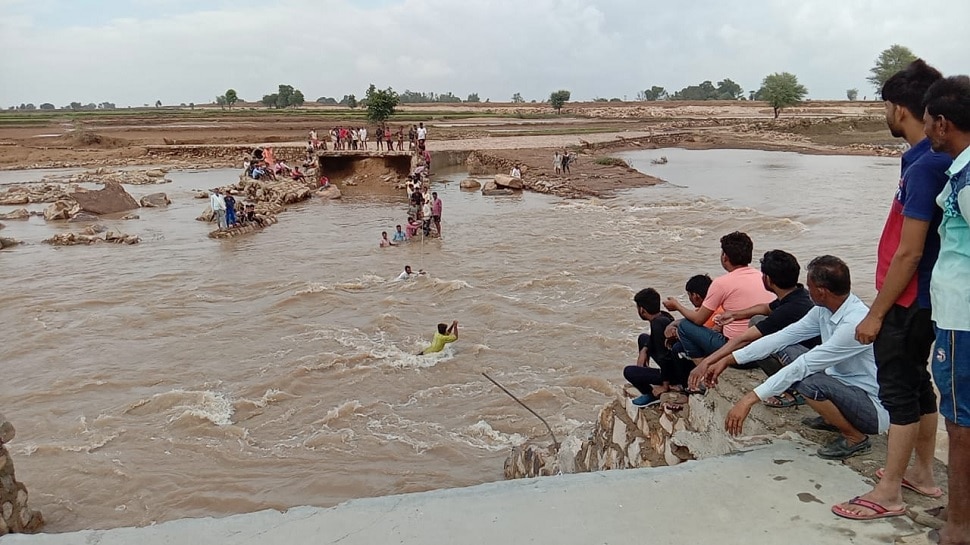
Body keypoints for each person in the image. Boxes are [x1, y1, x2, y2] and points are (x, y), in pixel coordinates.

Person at [832, 60, 951, 522]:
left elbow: (910, 252)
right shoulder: (924, 160)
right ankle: (921, 472)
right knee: (919, 385)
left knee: (899, 390)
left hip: (906, 297)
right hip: (922, 298)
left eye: (885, 106)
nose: (885, 114)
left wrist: (876, 313)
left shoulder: (927, 166)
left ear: (899, 108)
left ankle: (888, 493)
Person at [716, 256, 889, 461]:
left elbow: (804, 365)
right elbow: (783, 337)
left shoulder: (853, 322)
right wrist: (728, 359)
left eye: (810, 286)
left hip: (871, 408)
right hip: (843, 385)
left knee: (807, 381)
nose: (807, 290)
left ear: (821, 291)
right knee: (786, 348)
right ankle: (832, 419)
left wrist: (748, 399)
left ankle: (855, 438)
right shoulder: (823, 310)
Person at [921, 75, 970, 545]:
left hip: (962, 320)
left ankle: (959, 527)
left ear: (942, 123)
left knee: (960, 423)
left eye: (928, 122)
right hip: (958, 318)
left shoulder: (968, 179)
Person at [689, 250, 819, 408]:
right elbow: (765, 308)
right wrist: (735, 315)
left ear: (768, 279)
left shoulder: (788, 310)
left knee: (759, 342)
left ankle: (792, 390)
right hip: (809, 351)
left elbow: (744, 339)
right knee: (756, 320)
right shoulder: (799, 295)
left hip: (810, 362)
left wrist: (708, 362)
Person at [664, 231, 776, 360]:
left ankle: (701, 367)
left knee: (684, 326)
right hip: (765, 348)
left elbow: (698, 320)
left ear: (725, 257)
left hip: (736, 349)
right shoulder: (763, 277)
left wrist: (677, 306)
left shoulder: (721, 283)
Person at [623, 288, 695, 407]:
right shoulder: (664, 316)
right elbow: (654, 340)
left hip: (674, 373)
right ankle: (648, 374)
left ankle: (650, 394)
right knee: (643, 338)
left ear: (642, 310)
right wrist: (644, 350)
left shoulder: (657, 324)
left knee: (629, 372)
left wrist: (664, 386)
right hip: (677, 364)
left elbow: (664, 357)